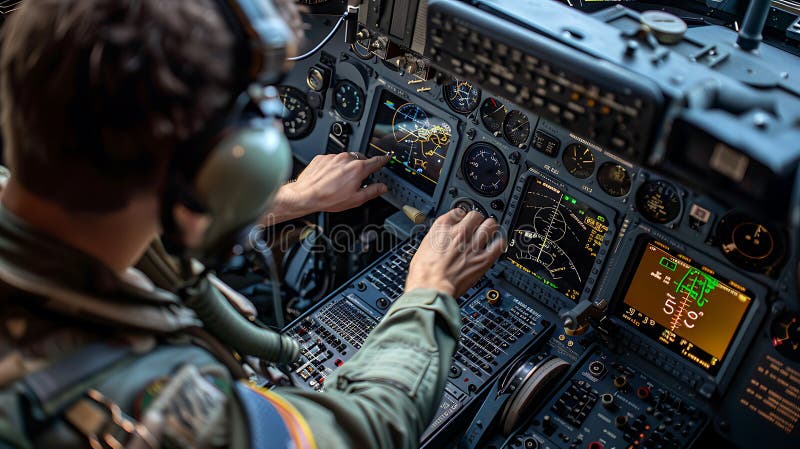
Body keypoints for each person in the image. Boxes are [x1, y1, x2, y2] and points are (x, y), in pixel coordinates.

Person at [0, 1, 505, 449]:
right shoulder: (141, 408)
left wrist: (288, 200)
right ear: (221, 165)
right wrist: (429, 293)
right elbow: (363, 431)